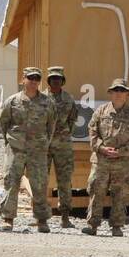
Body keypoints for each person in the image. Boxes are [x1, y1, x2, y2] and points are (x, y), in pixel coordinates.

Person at [0, 67, 55, 231]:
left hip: (38, 151)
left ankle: (42, 220)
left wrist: (44, 143)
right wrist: (10, 142)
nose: (34, 81)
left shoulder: (47, 102)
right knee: (11, 181)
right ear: (23, 79)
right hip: (16, 149)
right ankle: (8, 218)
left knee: (39, 184)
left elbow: (51, 125)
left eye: (37, 78)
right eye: (31, 78)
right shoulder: (13, 101)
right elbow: (3, 123)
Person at [83, 79, 129, 236]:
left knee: (120, 193)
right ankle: (92, 225)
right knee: (97, 191)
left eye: (122, 91)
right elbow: (92, 131)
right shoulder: (101, 111)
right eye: (116, 90)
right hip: (101, 160)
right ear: (111, 93)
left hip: (122, 162)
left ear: (127, 95)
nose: (118, 93)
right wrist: (101, 148)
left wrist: (122, 151)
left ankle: (117, 226)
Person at [45, 66, 79, 228]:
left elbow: (72, 120)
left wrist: (63, 135)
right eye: (52, 79)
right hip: (43, 144)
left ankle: (65, 216)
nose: (55, 81)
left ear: (62, 81)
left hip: (63, 145)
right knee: (40, 180)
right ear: (49, 81)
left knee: (64, 181)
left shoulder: (68, 99)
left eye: (58, 79)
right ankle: (41, 216)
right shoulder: (41, 98)